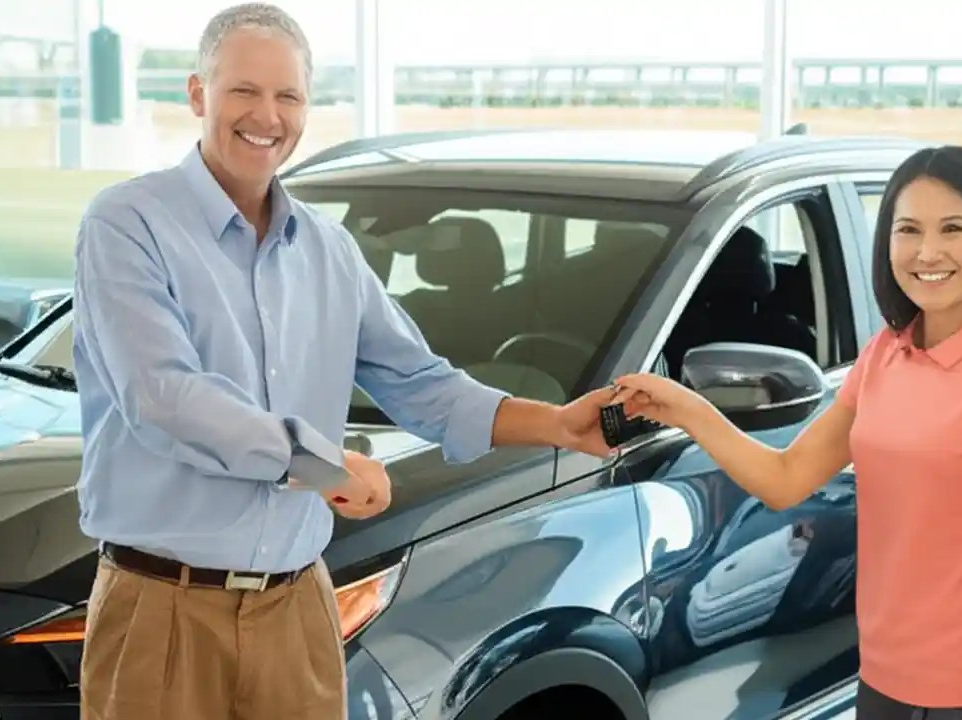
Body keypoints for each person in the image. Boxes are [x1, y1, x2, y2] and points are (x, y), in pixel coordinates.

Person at [71, 4, 616, 719]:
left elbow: (420, 383)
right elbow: (165, 399)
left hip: (297, 613)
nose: (267, 115)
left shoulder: (329, 250)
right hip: (164, 613)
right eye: (244, 91)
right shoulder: (127, 223)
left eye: (288, 96)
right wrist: (325, 469)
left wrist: (557, 424)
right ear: (199, 93)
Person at [612, 145, 962, 719]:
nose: (928, 251)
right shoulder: (885, 354)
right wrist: (687, 409)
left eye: (952, 228)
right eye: (908, 230)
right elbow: (786, 479)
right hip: (882, 680)